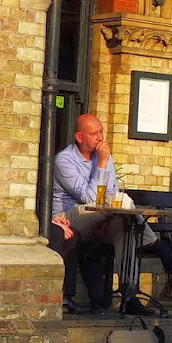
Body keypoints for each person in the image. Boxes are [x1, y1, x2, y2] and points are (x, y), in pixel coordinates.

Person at [49, 113, 123, 314]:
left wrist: (107, 217)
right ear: (79, 137)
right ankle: (156, 245)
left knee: (124, 224)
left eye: (101, 132)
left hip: (97, 215)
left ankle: (129, 292)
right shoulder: (65, 160)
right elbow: (90, 198)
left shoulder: (106, 157)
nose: (100, 138)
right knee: (121, 208)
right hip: (67, 217)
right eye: (94, 134)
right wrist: (101, 164)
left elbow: (110, 193)